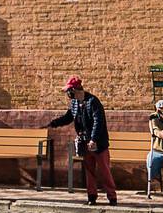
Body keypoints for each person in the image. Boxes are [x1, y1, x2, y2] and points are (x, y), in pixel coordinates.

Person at [48, 76, 117, 205]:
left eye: (69, 90)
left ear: (75, 89)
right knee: (89, 170)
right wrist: (54, 123)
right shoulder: (74, 103)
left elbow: (98, 122)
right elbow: (68, 117)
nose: (68, 94)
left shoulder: (93, 101)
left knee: (104, 169)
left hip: (98, 143)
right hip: (84, 142)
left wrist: (93, 139)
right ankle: (92, 196)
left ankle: (112, 196)